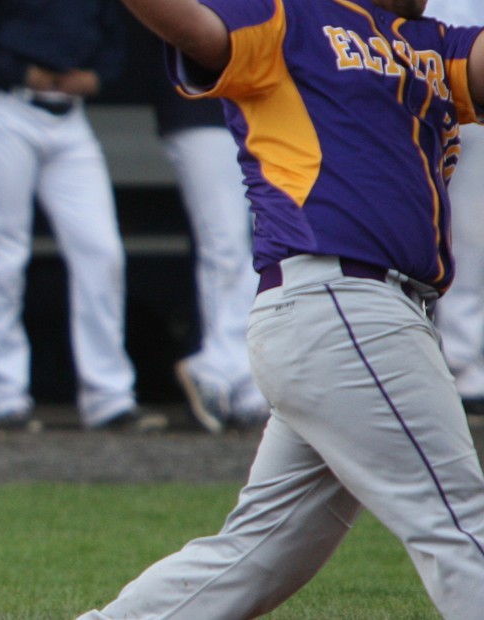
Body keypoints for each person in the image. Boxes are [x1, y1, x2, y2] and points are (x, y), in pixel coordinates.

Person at [82, 0, 484, 616]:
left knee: (260, 552)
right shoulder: (288, 14)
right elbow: (194, 27)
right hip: (341, 303)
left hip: (360, 322)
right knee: (462, 526)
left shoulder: (431, 42)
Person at [0, 0, 158, 433]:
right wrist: (20, 71)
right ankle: (5, 397)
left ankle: (109, 397)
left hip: (69, 116)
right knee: (4, 252)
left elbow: (114, 39)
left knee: (101, 250)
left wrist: (97, 76)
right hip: (4, 107)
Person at [155, 86, 270, 432]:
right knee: (224, 245)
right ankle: (218, 372)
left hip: (269, 105)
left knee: (271, 242)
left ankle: (244, 380)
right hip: (201, 103)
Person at [426, 0, 484, 422]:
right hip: (425, 64)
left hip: (467, 59)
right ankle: (456, 360)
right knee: (459, 231)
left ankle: (463, 358)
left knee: (471, 231)